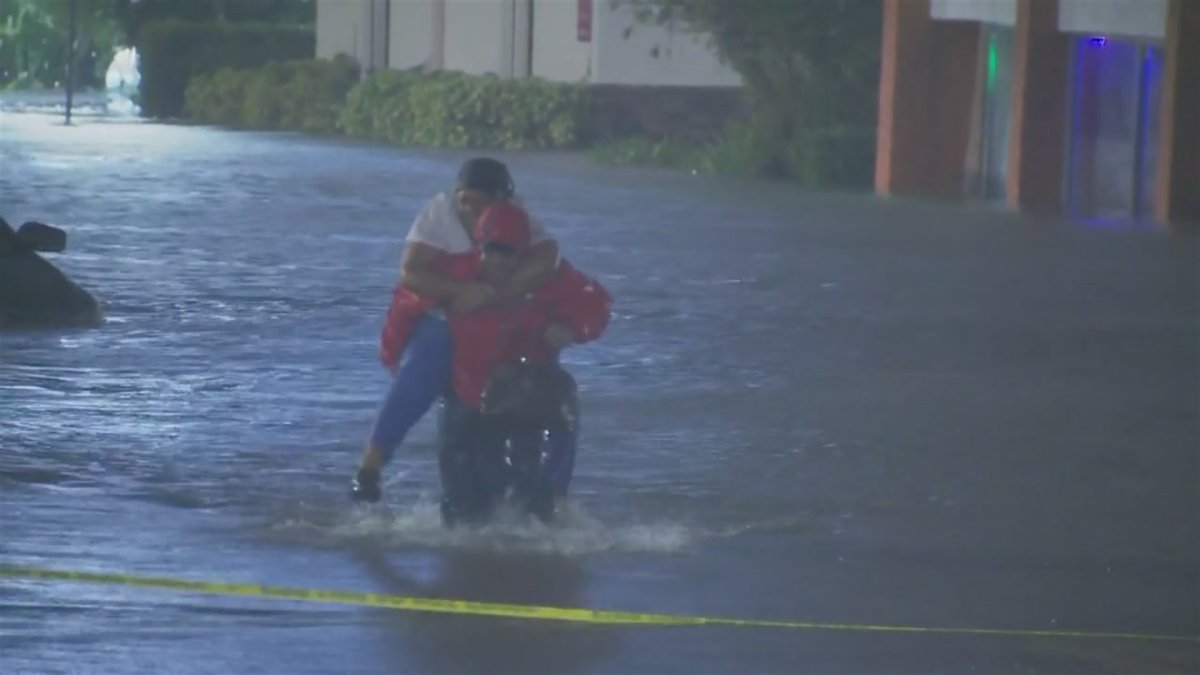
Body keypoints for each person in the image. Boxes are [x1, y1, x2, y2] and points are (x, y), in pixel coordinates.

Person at [351, 158, 562, 502]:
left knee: (540, 391)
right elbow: (411, 272)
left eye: (483, 204)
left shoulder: (517, 218)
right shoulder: (439, 215)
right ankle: (371, 464)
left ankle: (542, 494)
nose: (473, 211)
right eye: (467, 202)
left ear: (503, 201)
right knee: (421, 370)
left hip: (496, 319)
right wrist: (461, 292)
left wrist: (494, 295)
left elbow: (549, 260)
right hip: (445, 317)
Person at [427, 202, 611, 524]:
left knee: (533, 504)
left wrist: (571, 329)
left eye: (507, 252)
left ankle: (535, 548)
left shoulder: (552, 278)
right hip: (467, 396)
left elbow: (598, 307)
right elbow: (412, 310)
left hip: (528, 398)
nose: (497, 260)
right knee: (461, 505)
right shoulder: (456, 277)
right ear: (478, 248)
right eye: (491, 250)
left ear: (523, 253)